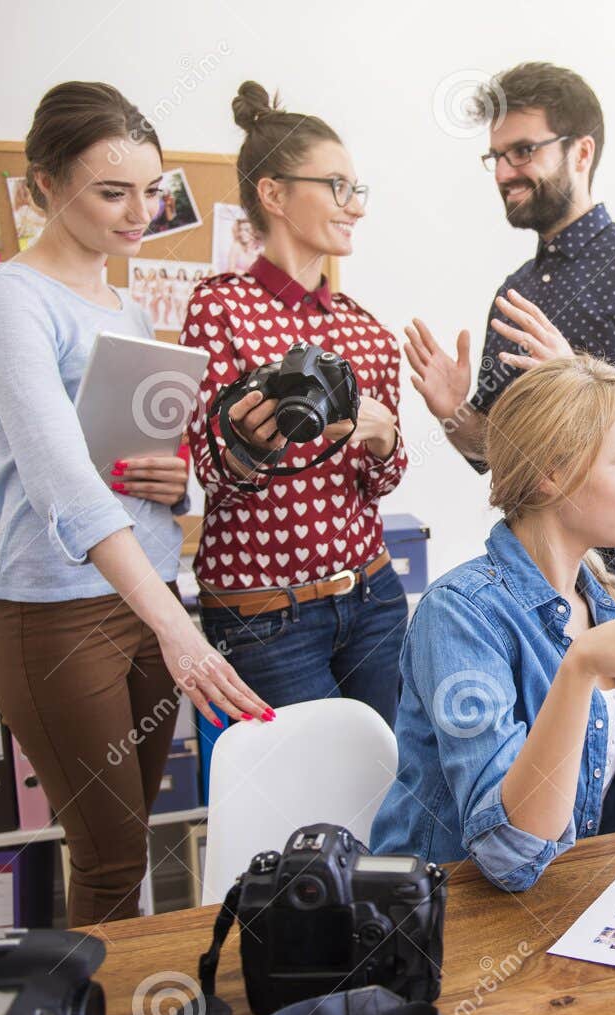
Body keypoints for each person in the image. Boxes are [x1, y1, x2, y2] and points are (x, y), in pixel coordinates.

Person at [0, 81, 272, 928]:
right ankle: (87, 1014)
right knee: (109, 860)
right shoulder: (10, 300)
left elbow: (126, 466)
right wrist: (179, 629)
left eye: (152, 190)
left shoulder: (127, 306)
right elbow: (63, 481)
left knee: (140, 841)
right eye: (112, 193)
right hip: (59, 613)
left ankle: (122, 1003)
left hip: (146, 597)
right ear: (44, 185)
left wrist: (172, 483)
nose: (141, 214)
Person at [371, 356, 615, 892]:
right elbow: (510, 857)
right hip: (439, 912)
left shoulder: (600, 600)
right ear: (549, 474)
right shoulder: (458, 614)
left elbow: (578, 813)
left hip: (565, 899)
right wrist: (579, 668)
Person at [404, 62, 615, 609]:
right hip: (528, 549)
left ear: (581, 152)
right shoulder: (516, 289)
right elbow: (494, 452)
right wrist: (454, 412)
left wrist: (582, 383)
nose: (504, 173)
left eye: (523, 151)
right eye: (496, 157)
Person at [181, 82, 410, 724]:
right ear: (274, 194)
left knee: (390, 771)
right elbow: (213, 476)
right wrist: (251, 449)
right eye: (337, 186)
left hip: (372, 597)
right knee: (314, 782)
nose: (355, 206)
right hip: (264, 616)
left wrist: (385, 439)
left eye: (357, 189)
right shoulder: (219, 308)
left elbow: (382, 482)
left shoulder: (367, 329)